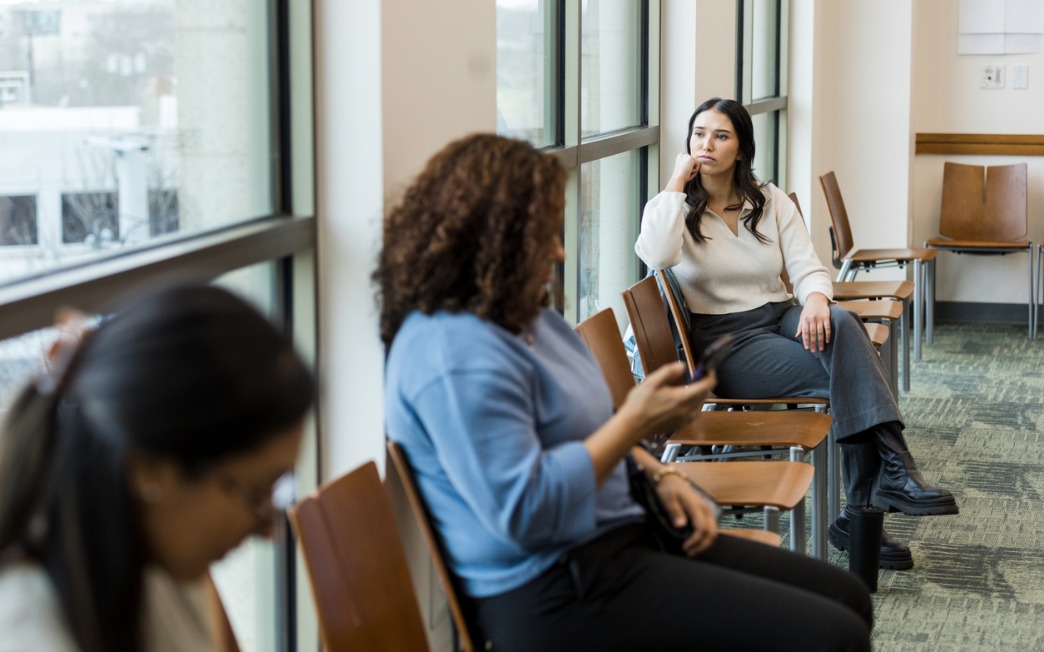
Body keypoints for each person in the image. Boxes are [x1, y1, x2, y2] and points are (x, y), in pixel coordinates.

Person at [378, 132, 873, 651]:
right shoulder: (449, 353)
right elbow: (526, 512)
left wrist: (658, 474)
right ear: (484, 239)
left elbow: (591, 428)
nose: (558, 249)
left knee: (847, 598)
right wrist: (633, 425)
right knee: (832, 635)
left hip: (625, 532)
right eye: (539, 235)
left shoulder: (530, 318)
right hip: (557, 585)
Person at [635, 97, 958, 571]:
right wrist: (675, 182)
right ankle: (873, 500)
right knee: (852, 378)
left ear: (741, 147)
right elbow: (657, 256)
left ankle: (878, 493)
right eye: (699, 134)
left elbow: (809, 266)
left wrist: (815, 299)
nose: (707, 144)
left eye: (721, 135)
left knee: (844, 324)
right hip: (727, 342)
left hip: (781, 314)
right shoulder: (674, 208)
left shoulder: (768, 199)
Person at [0, 284, 315, 652]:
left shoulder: (156, 551)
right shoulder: (30, 633)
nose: (269, 531)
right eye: (256, 493)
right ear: (148, 468)